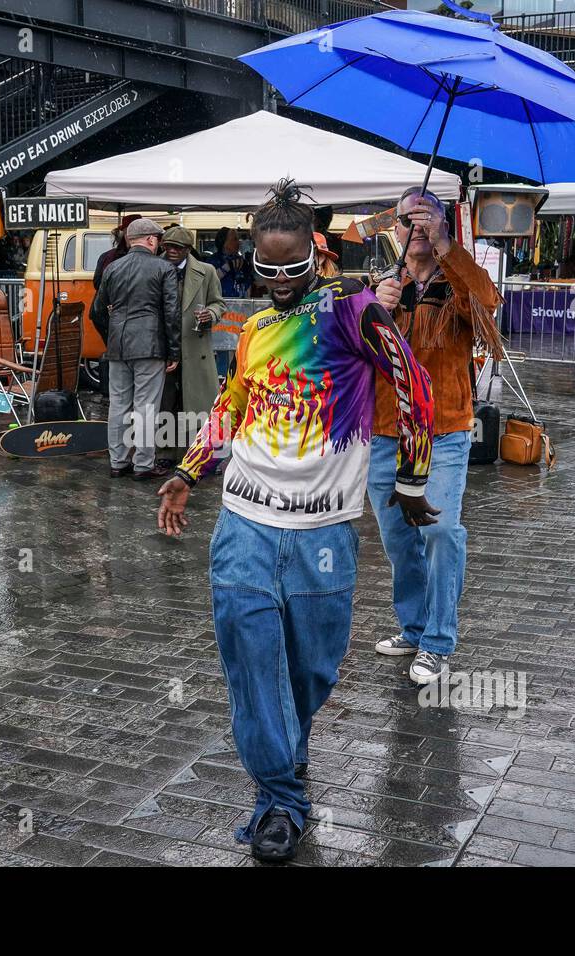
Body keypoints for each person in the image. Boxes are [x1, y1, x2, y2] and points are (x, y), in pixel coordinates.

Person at [155, 180, 436, 863]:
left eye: (292, 267)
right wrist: (188, 471)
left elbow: (415, 388)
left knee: (309, 675)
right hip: (245, 524)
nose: (278, 281)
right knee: (254, 668)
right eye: (264, 267)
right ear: (251, 257)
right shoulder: (253, 330)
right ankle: (280, 801)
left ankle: (286, 759)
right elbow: (231, 405)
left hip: (326, 534)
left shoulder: (349, 312)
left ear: (315, 252)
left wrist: (412, 479)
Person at [371, 188, 504, 685]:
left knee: (441, 531)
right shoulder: (385, 285)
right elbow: (353, 354)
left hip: (444, 428)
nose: (415, 227)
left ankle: (437, 642)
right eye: (407, 220)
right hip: (386, 431)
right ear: (397, 230)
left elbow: (489, 304)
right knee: (399, 539)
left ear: (443, 224)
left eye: (426, 218)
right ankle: (413, 626)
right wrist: (370, 309)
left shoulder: (459, 282)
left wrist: (449, 248)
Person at [91, 217, 180, 481]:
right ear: (151, 240)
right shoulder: (163, 268)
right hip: (150, 346)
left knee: (118, 404)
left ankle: (117, 462)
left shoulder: (113, 268)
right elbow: (171, 313)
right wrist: (173, 351)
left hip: (118, 345)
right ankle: (143, 464)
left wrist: (112, 334)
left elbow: (97, 310)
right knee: (146, 406)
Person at [157, 226, 226, 465]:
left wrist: (211, 314)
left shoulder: (206, 272)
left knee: (199, 404)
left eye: (178, 247)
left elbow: (219, 303)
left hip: (195, 347)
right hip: (163, 347)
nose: (172, 251)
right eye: (168, 246)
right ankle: (164, 453)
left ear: (188, 249)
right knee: (166, 402)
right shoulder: (155, 267)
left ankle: (202, 453)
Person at [92, 214, 141, 289]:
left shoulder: (151, 257)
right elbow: (98, 284)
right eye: (128, 233)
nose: (131, 237)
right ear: (123, 234)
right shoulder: (108, 257)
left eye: (135, 234)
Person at [208, 226, 251, 299]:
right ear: (224, 243)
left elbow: (248, 284)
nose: (238, 242)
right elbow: (208, 281)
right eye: (234, 239)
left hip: (241, 304)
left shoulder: (242, 261)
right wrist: (227, 266)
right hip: (219, 303)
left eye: (237, 239)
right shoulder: (213, 260)